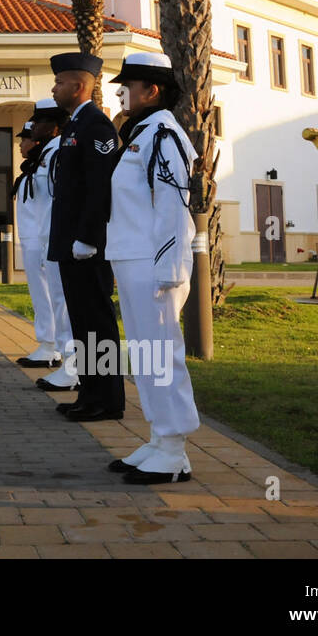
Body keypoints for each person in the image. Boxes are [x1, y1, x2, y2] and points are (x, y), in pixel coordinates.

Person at [105, 52, 201, 483]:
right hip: (132, 258)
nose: (122, 93)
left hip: (153, 262)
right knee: (145, 355)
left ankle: (175, 445)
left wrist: (169, 268)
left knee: (162, 354)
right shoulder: (141, 133)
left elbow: (172, 208)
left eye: (129, 86)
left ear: (152, 91)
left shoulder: (164, 136)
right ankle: (161, 440)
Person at [47, 52, 124, 422]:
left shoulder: (96, 126)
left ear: (78, 86)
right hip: (71, 242)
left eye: (60, 82)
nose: (54, 87)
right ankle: (90, 394)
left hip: (87, 246)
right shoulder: (75, 126)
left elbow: (100, 187)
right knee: (83, 323)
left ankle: (108, 400)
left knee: (98, 322)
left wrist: (89, 237)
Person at [13, 100, 74, 375]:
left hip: (47, 238)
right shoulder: (39, 162)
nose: (21, 144)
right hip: (36, 239)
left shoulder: (56, 154)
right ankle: (48, 345)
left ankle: (58, 350)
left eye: (25, 137)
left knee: (58, 297)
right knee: (42, 294)